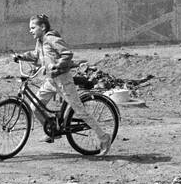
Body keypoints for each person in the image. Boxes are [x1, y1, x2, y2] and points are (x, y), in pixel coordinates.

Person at [13, 15, 113, 155]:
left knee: (79, 110)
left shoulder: (51, 39)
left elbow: (66, 53)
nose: (30, 31)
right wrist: (21, 56)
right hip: (51, 80)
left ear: (42, 27)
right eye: (30, 28)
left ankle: (104, 137)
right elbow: (36, 55)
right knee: (34, 106)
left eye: (33, 27)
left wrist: (57, 65)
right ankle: (53, 131)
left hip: (63, 80)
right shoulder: (40, 41)